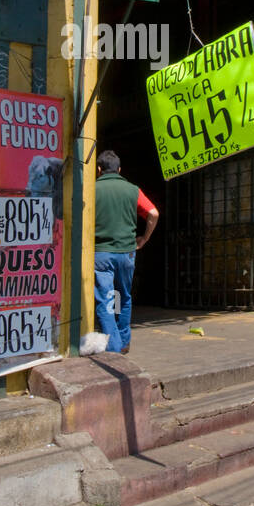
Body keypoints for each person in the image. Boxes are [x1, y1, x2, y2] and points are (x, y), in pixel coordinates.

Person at [92, 150, 158, 354]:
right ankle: (124, 341)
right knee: (122, 295)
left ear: (98, 169)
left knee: (106, 299)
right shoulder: (132, 190)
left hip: (101, 253)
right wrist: (144, 238)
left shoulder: (92, 189)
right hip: (127, 253)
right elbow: (153, 213)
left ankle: (113, 348)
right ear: (119, 169)